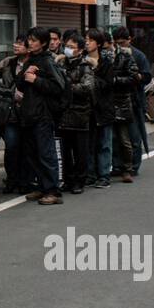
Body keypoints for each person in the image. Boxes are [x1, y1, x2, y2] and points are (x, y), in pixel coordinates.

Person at [17, 27, 66, 205]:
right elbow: (20, 86)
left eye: (34, 40)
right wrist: (25, 75)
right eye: (29, 39)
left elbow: (58, 87)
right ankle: (42, 186)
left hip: (43, 114)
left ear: (43, 43)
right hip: (29, 113)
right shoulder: (30, 60)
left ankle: (53, 191)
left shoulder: (48, 62)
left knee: (46, 153)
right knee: (33, 153)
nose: (29, 42)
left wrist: (36, 80)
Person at [57, 34, 94, 195]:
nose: (68, 49)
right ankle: (68, 179)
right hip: (63, 113)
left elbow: (87, 88)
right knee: (65, 151)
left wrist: (67, 87)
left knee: (80, 151)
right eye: (67, 46)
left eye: (72, 47)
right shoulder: (60, 64)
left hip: (80, 114)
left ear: (80, 50)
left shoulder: (85, 66)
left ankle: (80, 181)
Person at [113, 26, 152, 173]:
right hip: (117, 100)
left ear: (130, 39)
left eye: (122, 43)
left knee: (134, 135)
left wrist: (136, 75)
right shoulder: (113, 55)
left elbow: (147, 77)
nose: (120, 46)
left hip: (134, 100)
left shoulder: (138, 55)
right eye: (117, 43)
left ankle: (134, 166)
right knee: (116, 137)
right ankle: (117, 165)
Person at [107, 31, 141, 183]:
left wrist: (115, 80)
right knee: (112, 139)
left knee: (124, 138)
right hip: (106, 102)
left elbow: (135, 78)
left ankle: (127, 168)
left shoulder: (126, 56)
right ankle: (116, 166)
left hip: (122, 102)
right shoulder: (101, 57)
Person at [85, 29, 116, 189]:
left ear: (98, 43)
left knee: (104, 143)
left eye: (90, 40)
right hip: (86, 109)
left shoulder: (106, 63)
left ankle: (104, 175)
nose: (87, 42)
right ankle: (90, 174)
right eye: (86, 39)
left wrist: (95, 70)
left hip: (103, 109)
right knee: (89, 144)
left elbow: (108, 85)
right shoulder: (82, 61)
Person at [0, 34, 27, 193]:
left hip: (29, 113)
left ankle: (25, 181)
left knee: (27, 148)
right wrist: (5, 91)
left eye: (20, 43)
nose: (16, 46)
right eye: (15, 42)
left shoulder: (34, 63)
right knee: (11, 147)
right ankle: (12, 180)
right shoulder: (8, 62)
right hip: (10, 113)